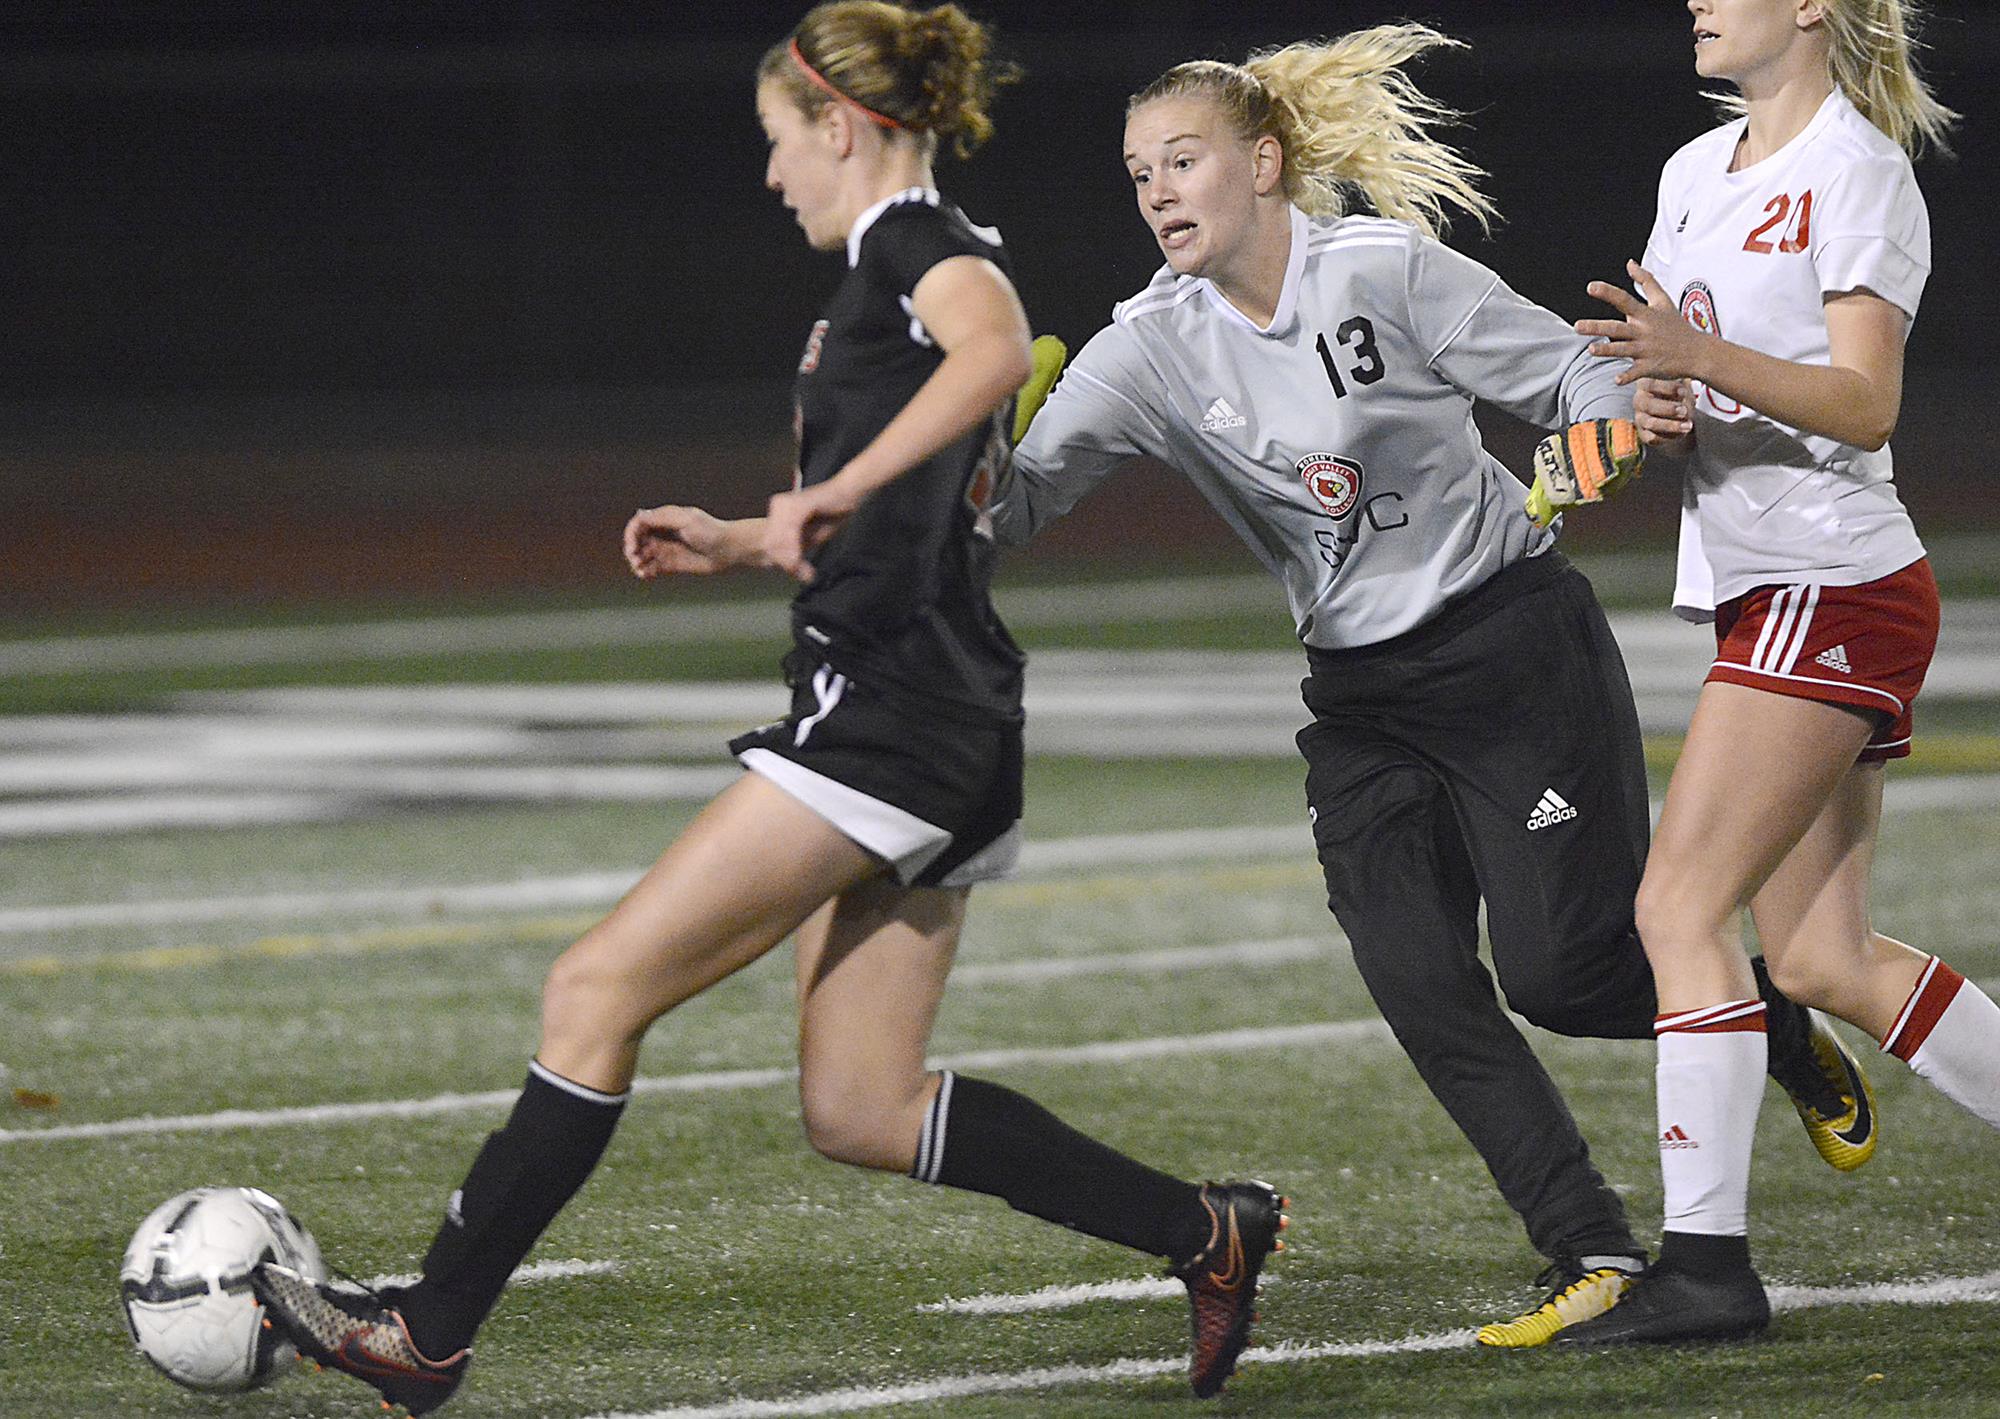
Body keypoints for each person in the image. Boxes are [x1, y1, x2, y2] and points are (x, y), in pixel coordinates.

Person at [248, 6, 1284, 1410]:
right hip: (947, 716)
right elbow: (922, 463)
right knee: (859, 1107)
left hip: (893, 721)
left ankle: (427, 1333)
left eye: (779, 142)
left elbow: (996, 354)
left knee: (594, 987)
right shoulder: (895, 259)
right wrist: (750, 535)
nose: (772, 174)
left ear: (842, 128)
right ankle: (1204, 1233)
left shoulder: (919, 247)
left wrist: (837, 493)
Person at [993, 23, 1872, 1348]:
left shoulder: (1383, 270)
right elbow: (1007, 513)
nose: (1159, 191)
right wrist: (942, 451)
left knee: (1566, 977)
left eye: (1185, 160)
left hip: (1513, 650)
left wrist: (1601, 441)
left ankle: (1771, 1022)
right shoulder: (1144, 347)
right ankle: (1586, 1244)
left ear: (1266, 164)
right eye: (1138, 174)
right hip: (1362, 702)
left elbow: (1584, 377)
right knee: (1411, 970)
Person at [1551, 0, 1991, 1346]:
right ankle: (1709, 1265)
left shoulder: (1860, 171)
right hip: (1779, 589)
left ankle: (1707, 1269)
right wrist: (1669, 409)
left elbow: (1865, 402)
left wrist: (1704, 358)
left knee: (1678, 907)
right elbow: (1708, 399)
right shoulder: (1696, 173)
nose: (1695, 3)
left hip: (1835, 583)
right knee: (1818, 956)